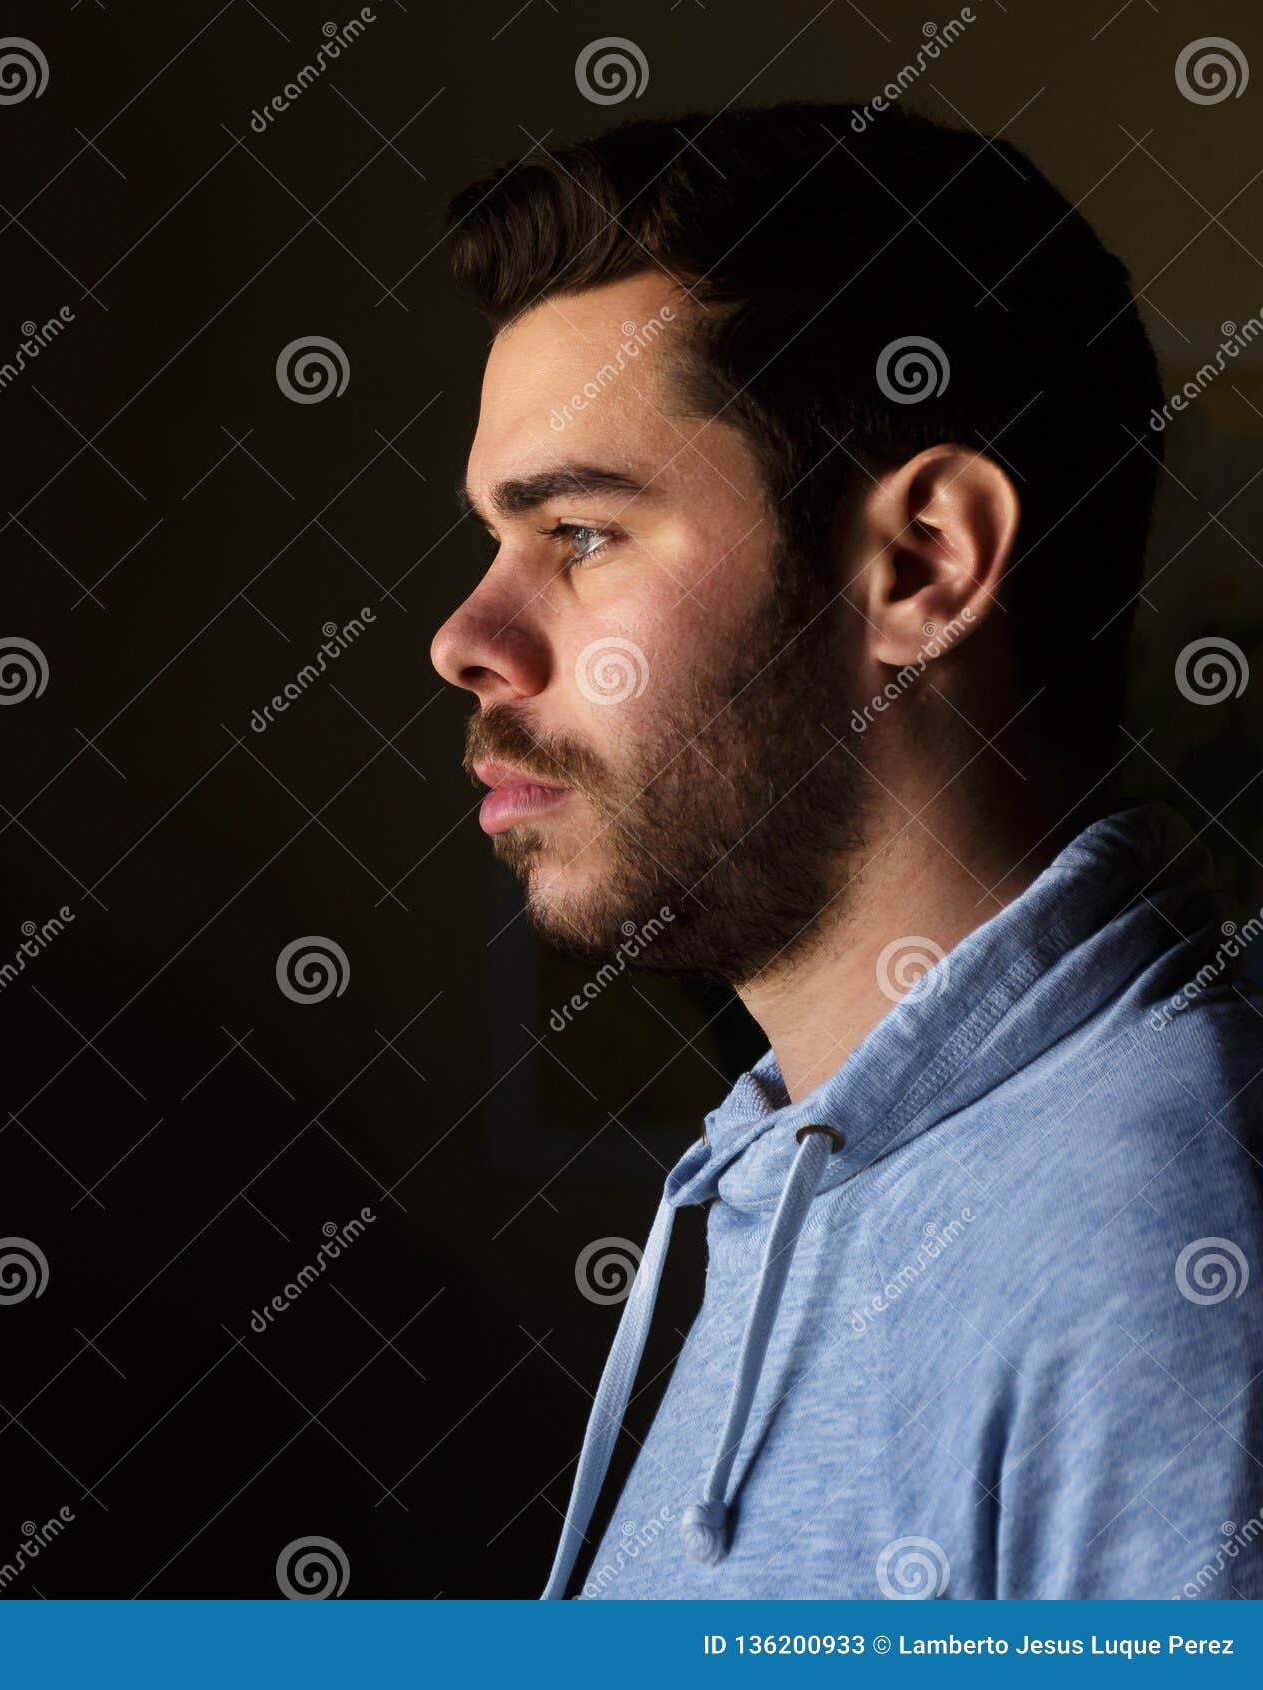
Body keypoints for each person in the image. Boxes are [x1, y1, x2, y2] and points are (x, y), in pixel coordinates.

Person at [429, 103, 1263, 1600]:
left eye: (583, 534)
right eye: (497, 539)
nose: (465, 640)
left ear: (923, 565)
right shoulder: (806, 1166)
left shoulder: (1164, 1261)